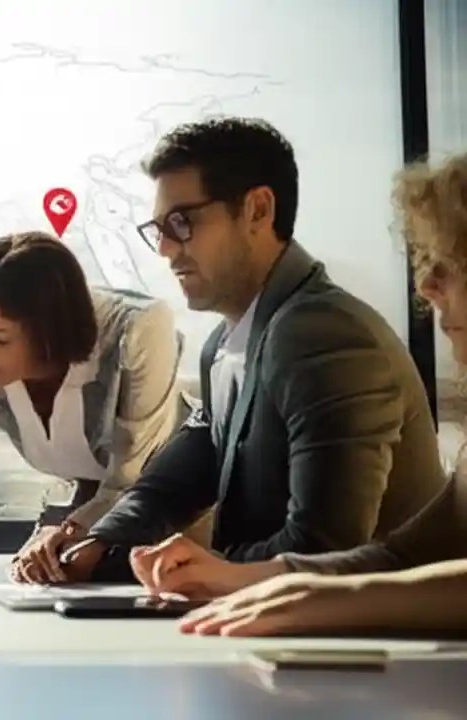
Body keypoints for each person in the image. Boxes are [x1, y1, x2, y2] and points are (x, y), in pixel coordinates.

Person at [42, 117, 445, 584]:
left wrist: (188, 568)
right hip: (288, 626)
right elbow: (174, 483)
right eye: (160, 229)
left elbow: (325, 547)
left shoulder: (323, 334)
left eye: (182, 222)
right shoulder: (225, 345)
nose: (167, 250)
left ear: (257, 210)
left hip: (376, 640)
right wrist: (95, 541)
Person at [143, 152, 467, 637]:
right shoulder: (225, 346)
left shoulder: (318, 329)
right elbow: (402, 555)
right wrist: (236, 577)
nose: (426, 284)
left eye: (451, 262)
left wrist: (336, 598)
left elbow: (344, 549)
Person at [0, 231, 200, 583]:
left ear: (49, 331)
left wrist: (69, 530)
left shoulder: (138, 331)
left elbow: (130, 477)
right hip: (95, 507)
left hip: (182, 507)